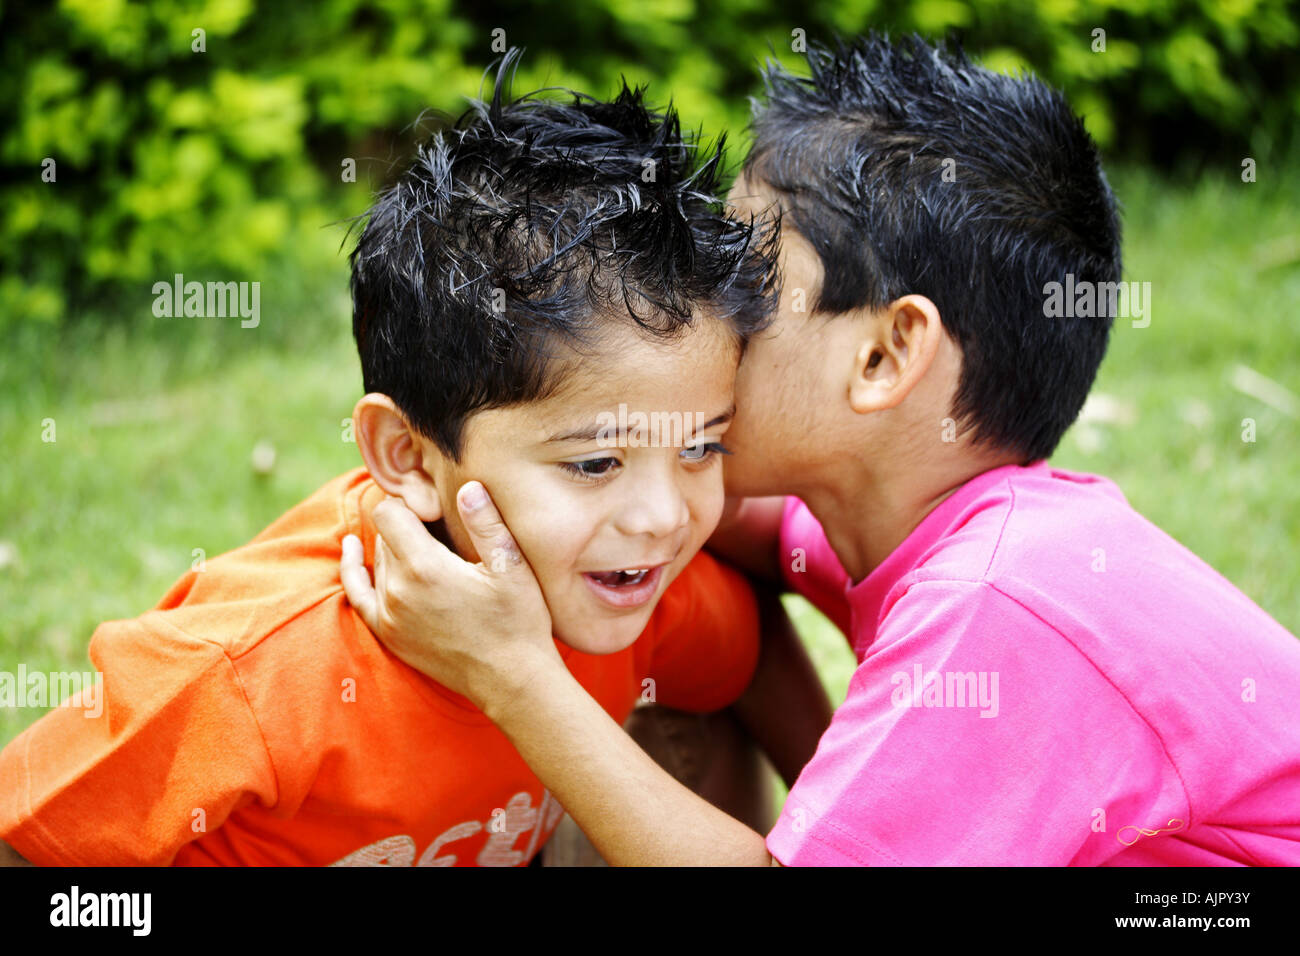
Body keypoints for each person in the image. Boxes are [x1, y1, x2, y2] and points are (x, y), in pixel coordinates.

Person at [341, 34, 1300, 866]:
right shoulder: (913, 514)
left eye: (753, 275)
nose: (709, 314)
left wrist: (514, 674)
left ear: (883, 355)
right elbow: (742, 535)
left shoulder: (1001, 597)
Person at [0, 54, 825, 866]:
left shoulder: (634, 584)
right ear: (408, 456)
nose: (665, 517)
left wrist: (825, 832)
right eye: (595, 463)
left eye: (699, 445)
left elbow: (743, 655)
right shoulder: (246, 675)